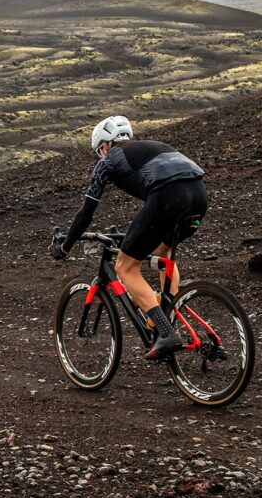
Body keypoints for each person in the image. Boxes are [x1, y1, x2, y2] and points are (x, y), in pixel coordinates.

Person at [50, 115, 207, 360]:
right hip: (199, 194)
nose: (100, 155)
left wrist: (65, 246)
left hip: (167, 196)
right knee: (162, 254)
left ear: (104, 146)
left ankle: (166, 331)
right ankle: (169, 313)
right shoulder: (152, 147)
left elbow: (86, 213)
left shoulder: (108, 161)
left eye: (99, 151)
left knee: (125, 267)